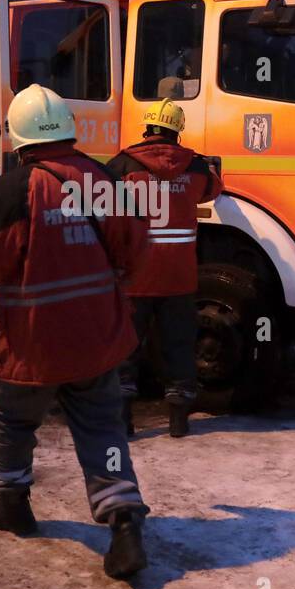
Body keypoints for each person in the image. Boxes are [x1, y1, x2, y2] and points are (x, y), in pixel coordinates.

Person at [0, 84, 151, 580]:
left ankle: (13, 503)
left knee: (11, 419)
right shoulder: (105, 179)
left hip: (32, 342)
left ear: (19, 138)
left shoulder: (12, 187)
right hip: (96, 335)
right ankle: (125, 523)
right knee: (102, 427)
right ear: (68, 128)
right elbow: (133, 246)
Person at [107, 99, 222, 437]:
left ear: (148, 126)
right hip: (179, 277)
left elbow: (102, 200)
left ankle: (124, 419)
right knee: (179, 346)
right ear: (177, 130)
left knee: (127, 347)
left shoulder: (122, 164)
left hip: (134, 276)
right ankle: (178, 419)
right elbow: (213, 190)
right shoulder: (196, 167)